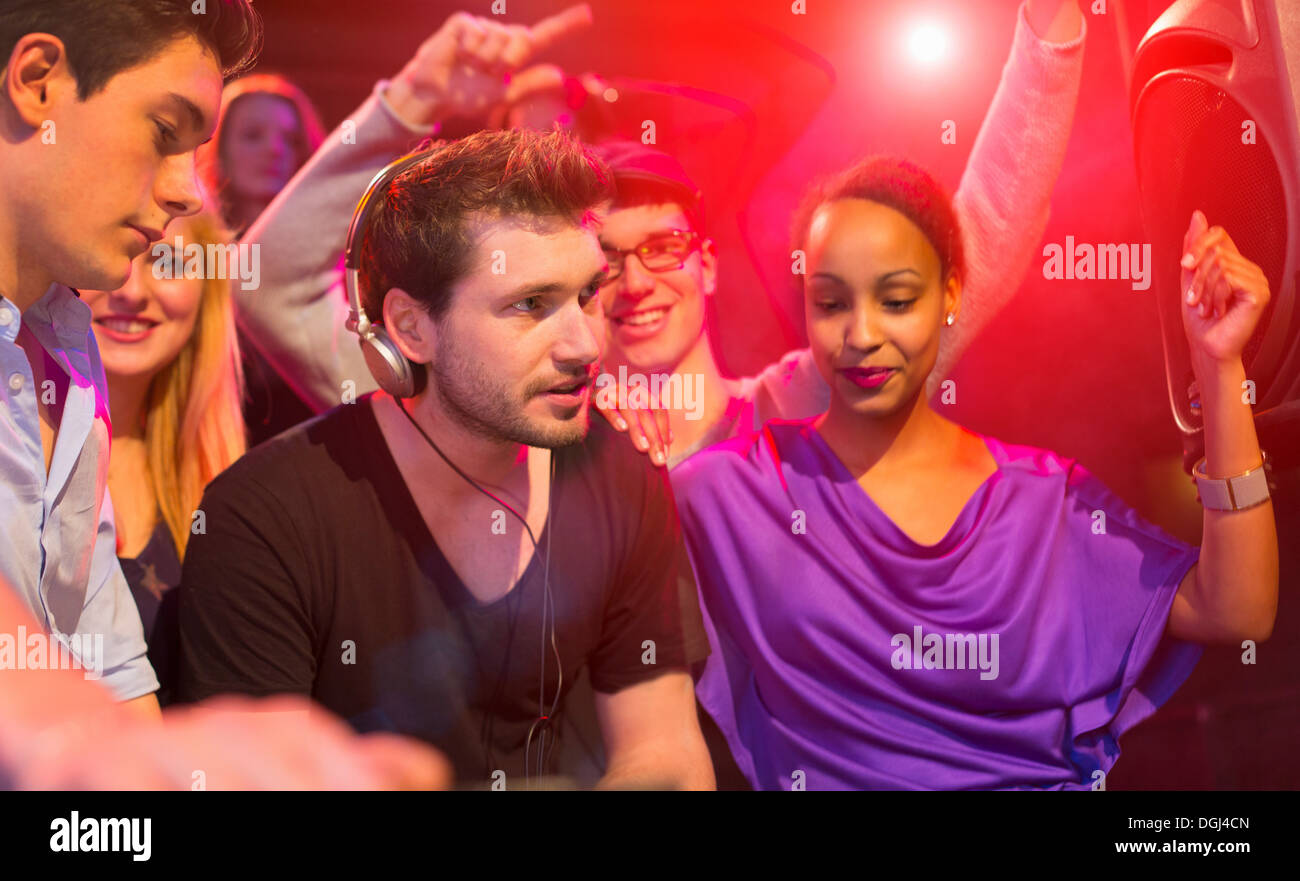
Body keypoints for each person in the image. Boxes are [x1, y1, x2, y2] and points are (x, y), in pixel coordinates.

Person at [670, 156, 1279, 789]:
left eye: (896, 299)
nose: (862, 333)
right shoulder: (727, 492)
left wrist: (1220, 366)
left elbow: (1235, 609)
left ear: (951, 296)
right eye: (830, 302)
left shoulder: (1042, 504)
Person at [175, 127, 716, 790]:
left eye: (585, 295)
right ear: (409, 329)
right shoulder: (264, 518)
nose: (585, 345)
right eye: (531, 305)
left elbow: (665, 752)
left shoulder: (619, 469)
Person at [0, 0, 448, 789]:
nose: (185, 191)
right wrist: (78, 743)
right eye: (163, 131)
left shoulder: (68, 356)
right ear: (39, 82)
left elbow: (115, 677)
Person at [81, 206, 246, 706]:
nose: (131, 292)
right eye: (111, 252)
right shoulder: (21, 459)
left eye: (168, 263)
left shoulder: (231, 482)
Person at [198, 73, 326, 444]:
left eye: (291, 139)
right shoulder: (188, 250)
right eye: (253, 135)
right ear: (219, 148)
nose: (274, 150)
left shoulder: (325, 256)